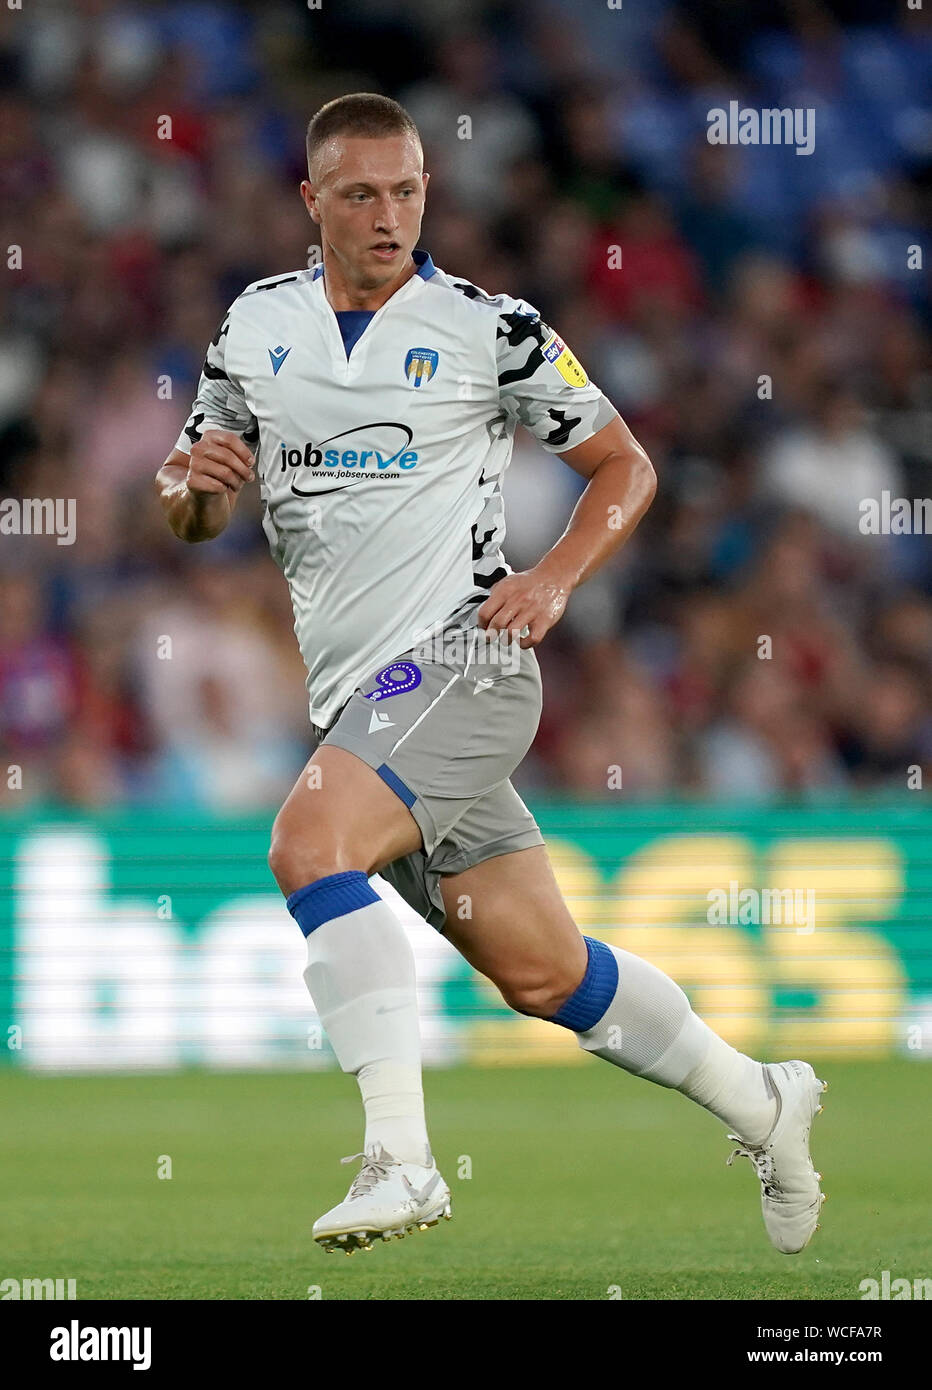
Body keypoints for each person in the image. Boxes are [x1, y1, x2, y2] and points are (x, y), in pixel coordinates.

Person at [155, 93, 825, 1257]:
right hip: (363, 702)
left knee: (307, 847)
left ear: (428, 189)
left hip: (465, 657)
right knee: (543, 973)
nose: (388, 214)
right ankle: (765, 1101)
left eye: (407, 189)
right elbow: (193, 509)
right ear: (310, 202)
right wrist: (196, 489)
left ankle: (400, 1163)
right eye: (359, 193)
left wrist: (557, 575)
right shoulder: (254, 325)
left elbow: (624, 464)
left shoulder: (487, 326)